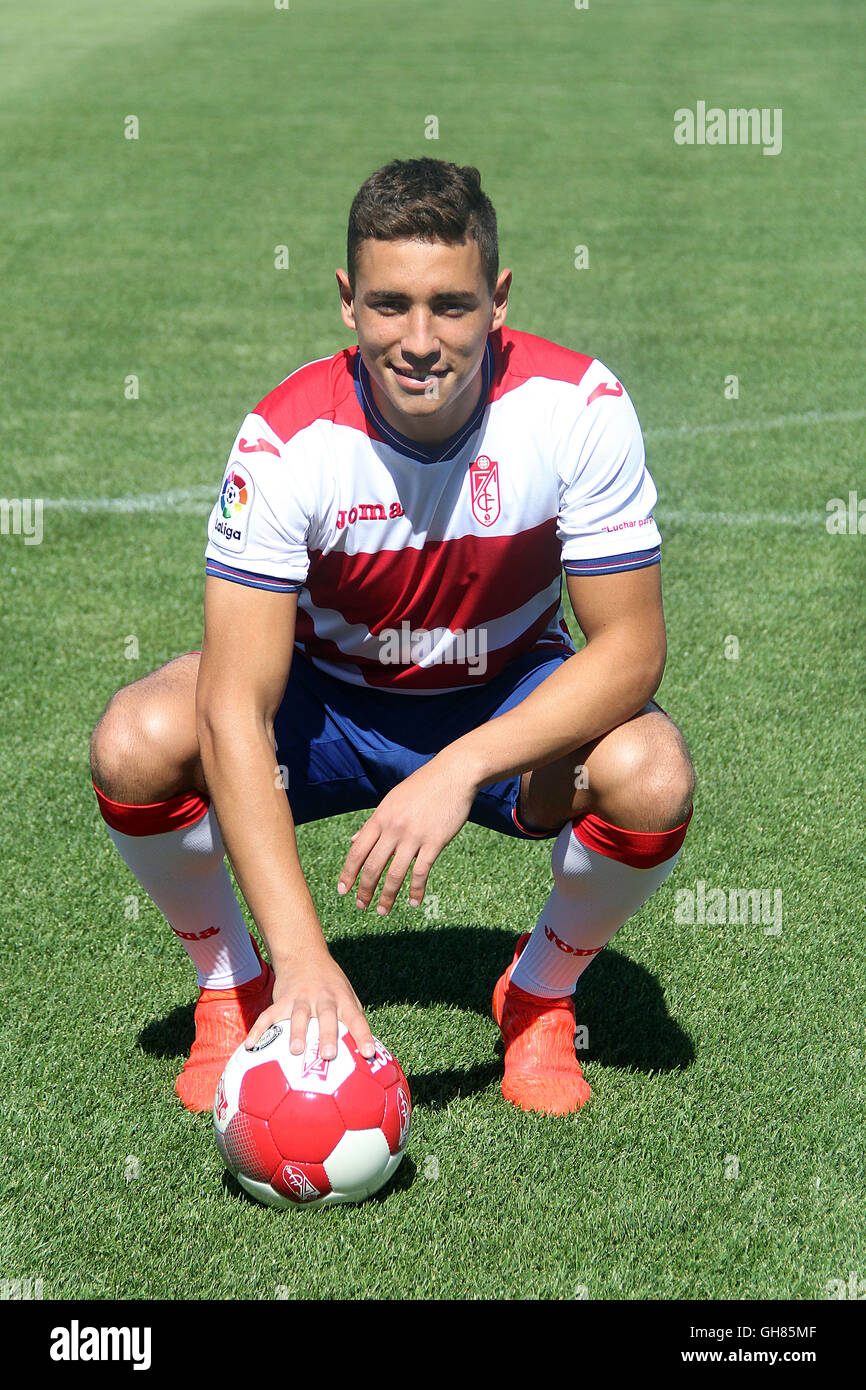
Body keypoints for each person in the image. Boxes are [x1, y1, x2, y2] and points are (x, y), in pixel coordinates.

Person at [90, 157, 695, 1119]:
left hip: (505, 692)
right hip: (326, 698)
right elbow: (235, 706)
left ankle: (539, 991)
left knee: (652, 776)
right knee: (136, 742)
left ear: (498, 301)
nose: (420, 341)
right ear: (346, 302)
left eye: (451, 306)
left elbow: (630, 652)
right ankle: (232, 986)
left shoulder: (579, 407)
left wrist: (459, 767)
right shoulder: (284, 441)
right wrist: (305, 960)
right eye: (390, 305)